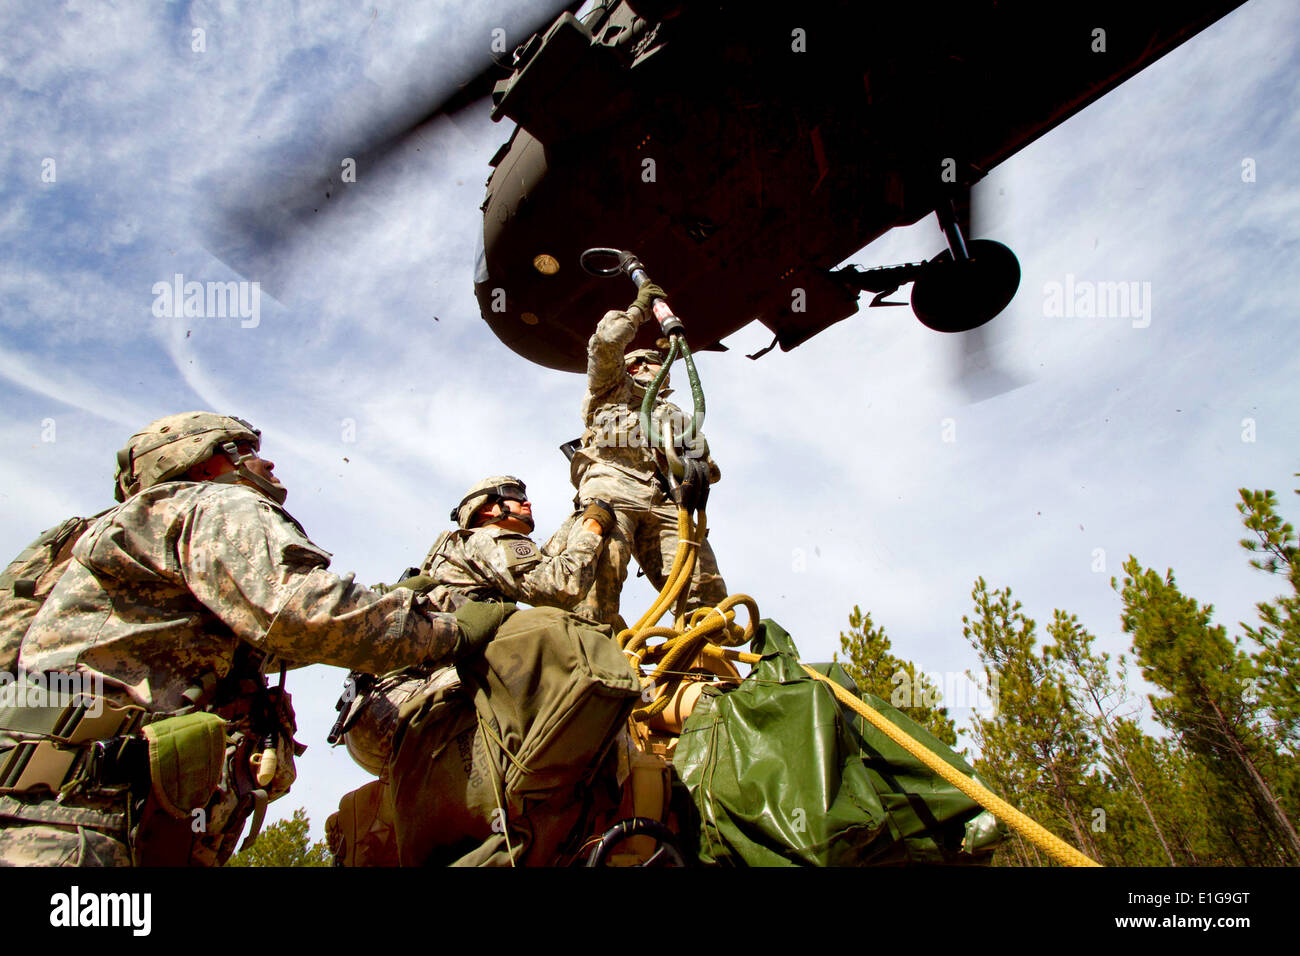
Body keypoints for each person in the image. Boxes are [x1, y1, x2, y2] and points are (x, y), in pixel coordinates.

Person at [0, 412, 507, 867]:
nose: (269, 466)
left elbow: (261, 645)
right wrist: (452, 632)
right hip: (85, 822)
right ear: (209, 462)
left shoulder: (119, 530)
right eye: (252, 453)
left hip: (59, 804)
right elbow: (302, 614)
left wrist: (389, 597)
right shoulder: (215, 503)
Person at [569, 283, 727, 628]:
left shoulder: (678, 416)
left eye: (656, 365)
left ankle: (705, 667)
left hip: (667, 501)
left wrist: (695, 472)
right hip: (612, 491)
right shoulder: (610, 388)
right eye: (639, 363)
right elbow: (606, 343)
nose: (645, 366)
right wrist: (639, 309)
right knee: (595, 587)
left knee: (703, 592)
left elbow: (707, 467)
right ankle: (591, 665)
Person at [416, 475, 614, 612]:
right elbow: (561, 585)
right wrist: (592, 527)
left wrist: (580, 513)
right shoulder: (485, 539)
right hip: (455, 669)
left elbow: (545, 561)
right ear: (486, 508)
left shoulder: (472, 546)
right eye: (516, 496)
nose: (527, 503)